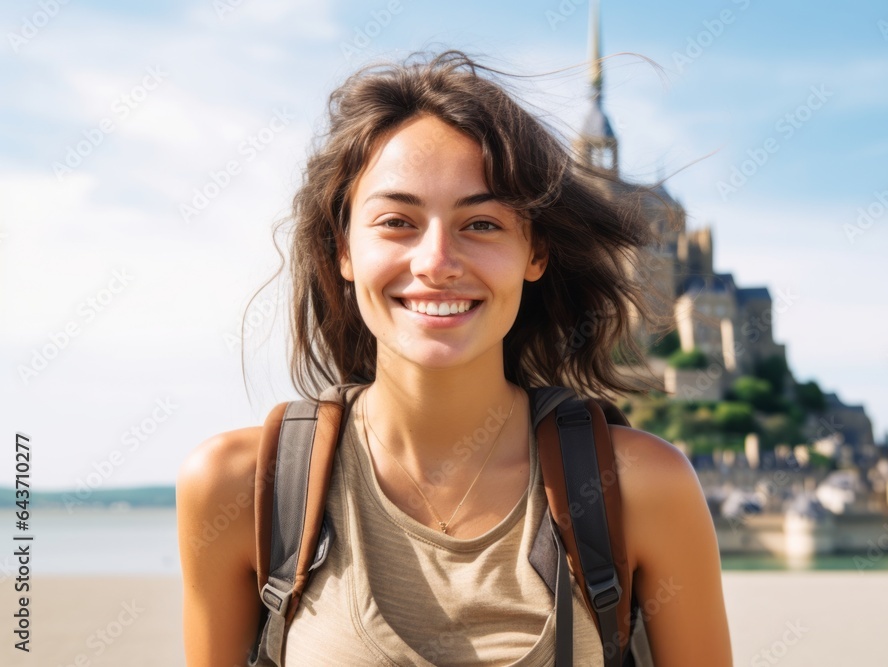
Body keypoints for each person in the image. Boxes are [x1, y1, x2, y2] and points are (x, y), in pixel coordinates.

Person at [177, 50, 733, 666]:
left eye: (483, 224)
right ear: (343, 251)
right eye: (396, 221)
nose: (437, 260)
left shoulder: (643, 488)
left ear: (535, 252)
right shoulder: (240, 486)